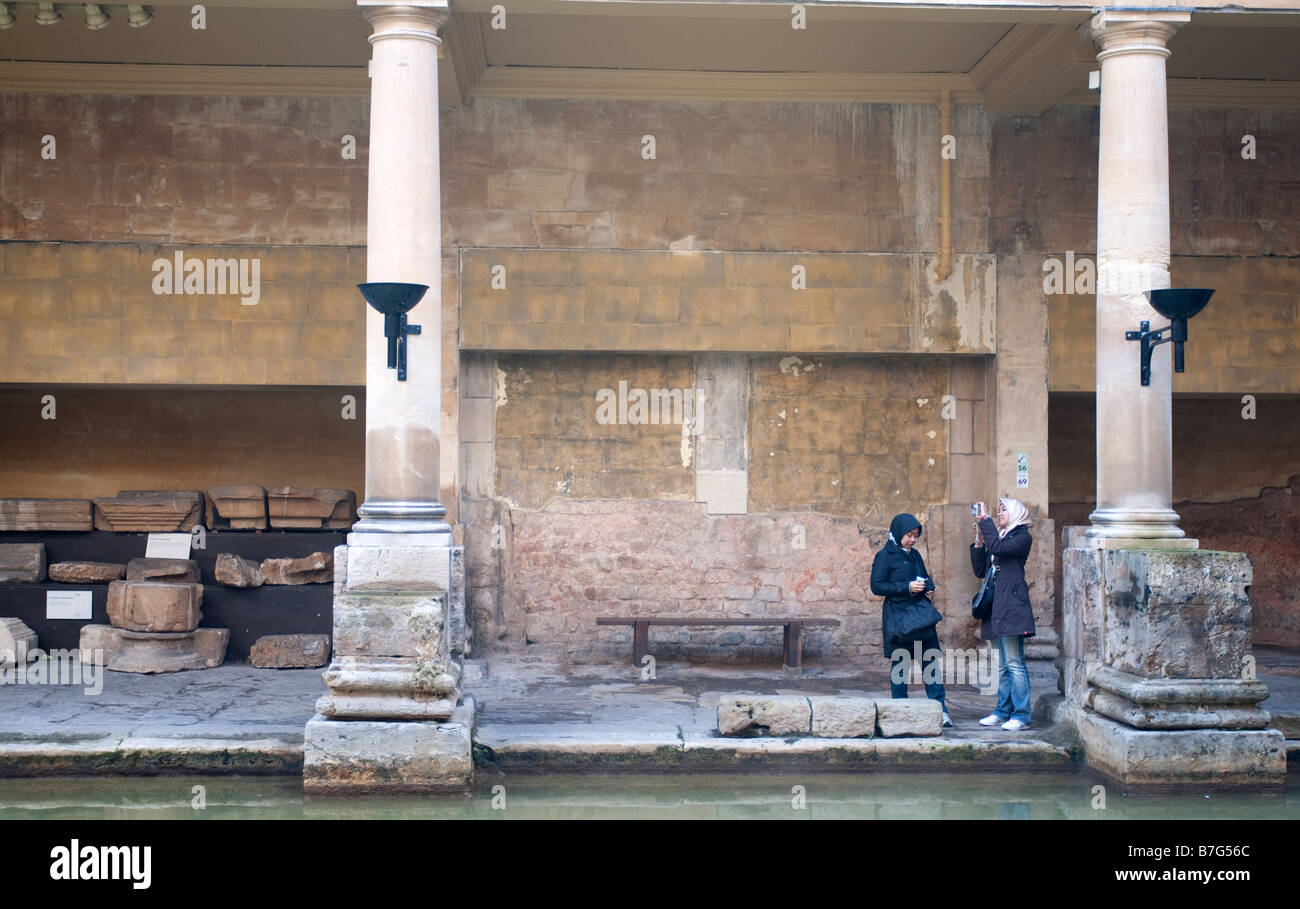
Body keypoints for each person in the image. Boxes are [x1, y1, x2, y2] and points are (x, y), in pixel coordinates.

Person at [871, 513, 952, 728]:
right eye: (909, 535)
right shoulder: (884, 556)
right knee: (900, 665)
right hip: (899, 618)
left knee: (931, 663)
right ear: (898, 533)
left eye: (916, 536)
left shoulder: (914, 555)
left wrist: (928, 586)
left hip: (920, 617)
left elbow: (924, 576)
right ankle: (900, 711)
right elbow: (877, 585)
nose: (913, 540)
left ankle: (940, 710)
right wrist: (906, 587)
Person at [971, 498, 1035, 731]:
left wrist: (985, 521)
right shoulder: (999, 536)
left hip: (1012, 607)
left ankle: (1022, 715)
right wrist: (979, 542)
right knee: (1003, 665)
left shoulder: (1021, 537)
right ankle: (1002, 711)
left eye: (1003, 509)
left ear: (1016, 512)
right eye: (996, 511)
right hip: (997, 607)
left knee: (1015, 663)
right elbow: (980, 570)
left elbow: (999, 549)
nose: (999, 513)